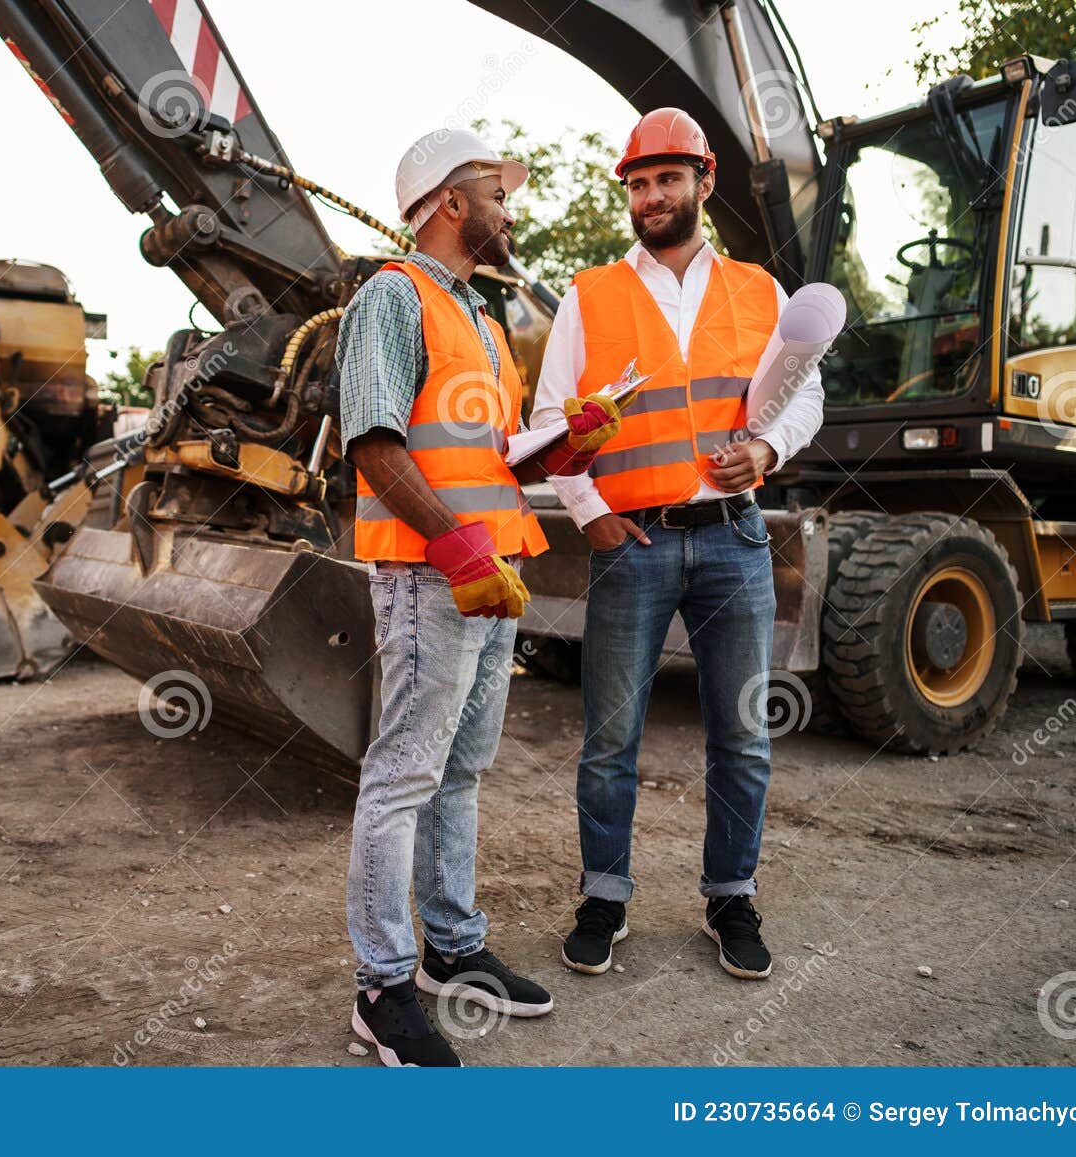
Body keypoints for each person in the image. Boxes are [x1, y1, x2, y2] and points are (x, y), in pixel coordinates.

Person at [338, 128, 622, 1067]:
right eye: (498, 195)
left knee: (459, 770)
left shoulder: (485, 323)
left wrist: (569, 442)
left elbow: (493, 459)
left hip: (492, 573)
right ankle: (382, 986)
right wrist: (454, 544)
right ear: (453, 203)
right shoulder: (393, 297)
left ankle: (451, 948)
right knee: (403, 774)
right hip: (434, 571)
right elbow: (375, 446)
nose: (510, 211)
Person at [529, 108, 825, 982]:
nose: (650, 197)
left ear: (703, 183)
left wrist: (768, 449)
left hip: (734, 540)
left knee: (741, 736)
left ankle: (731, 897)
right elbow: (549, 422)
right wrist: (588, 514)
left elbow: (804, 396)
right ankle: (604, 896)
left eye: (666, 179)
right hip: (633, 543)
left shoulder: (760, 293)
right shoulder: (589, 296)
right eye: (638, 183)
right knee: (609, 739)